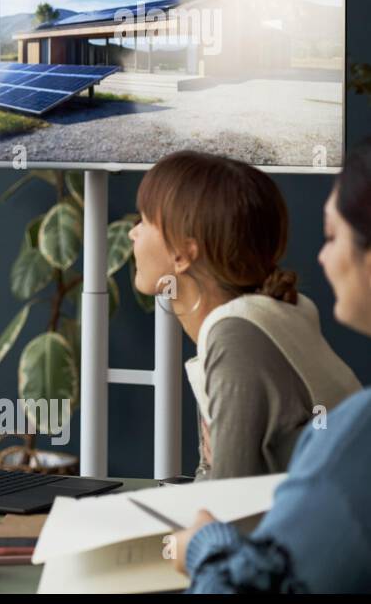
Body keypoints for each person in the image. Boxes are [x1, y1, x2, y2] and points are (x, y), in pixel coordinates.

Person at [168, 139, 371, 593]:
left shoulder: (235, 333)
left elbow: (241, 595)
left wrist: (203, 546)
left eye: (333, 236)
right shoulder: (283, 314)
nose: (320, 257)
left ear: (184, 252)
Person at [129, 150, 360, 479]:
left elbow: (229, 507)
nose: (132, 233)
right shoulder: (274, 313)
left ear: (183, 254)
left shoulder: (237, 338)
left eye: (145, 221)